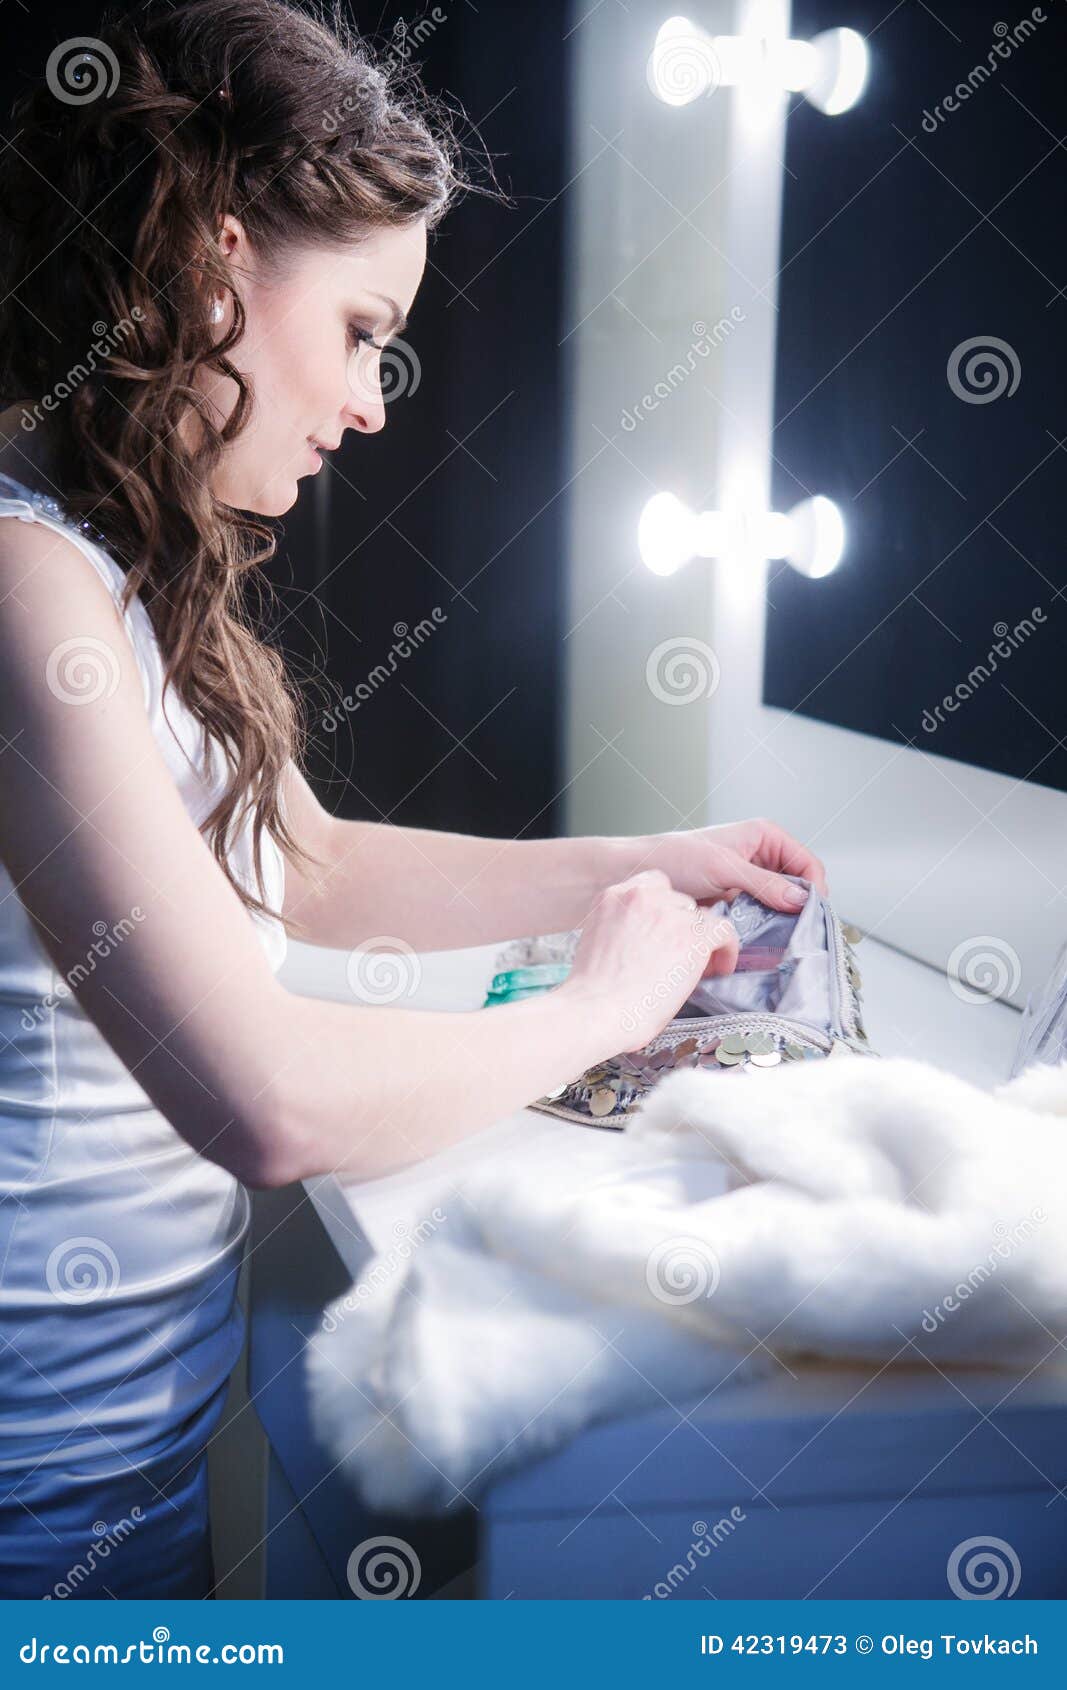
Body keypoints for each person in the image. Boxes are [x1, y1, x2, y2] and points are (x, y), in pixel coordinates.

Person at [0, 0, 826, 1599]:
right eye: (365, 326)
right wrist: (600, 1004)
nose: (378, 400)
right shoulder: (29, 592)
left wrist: (645, 863)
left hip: (125, 1458)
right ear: (215, 264)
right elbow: (268, 1105)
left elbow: (302, 866)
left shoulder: (98, 568)